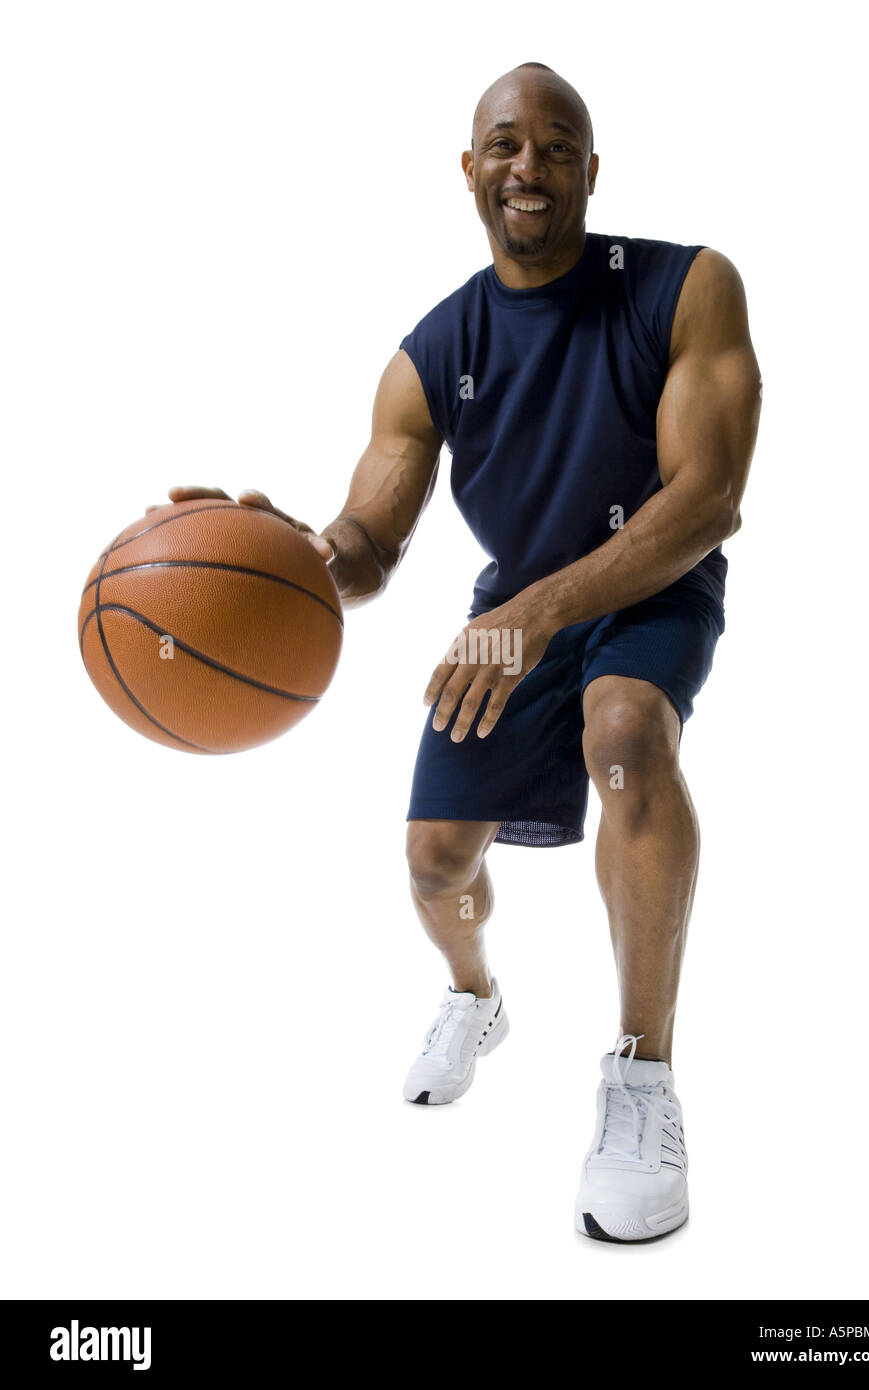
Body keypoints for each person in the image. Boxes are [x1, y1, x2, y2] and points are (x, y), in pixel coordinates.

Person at [165, 62, 762, 1242]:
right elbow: (370, 540)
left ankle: (642, 1077)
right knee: (437, 861)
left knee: (628, 732)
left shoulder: (687, 288)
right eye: (504, 145)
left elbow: (708, 498)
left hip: (647, 584)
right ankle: (475, 997)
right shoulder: (432, 349)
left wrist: (537, 615)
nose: (527, 167)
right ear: (469, 169)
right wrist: (279, 557)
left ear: (592, 172)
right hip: (512, 611)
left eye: (555, 146)